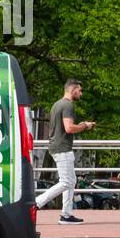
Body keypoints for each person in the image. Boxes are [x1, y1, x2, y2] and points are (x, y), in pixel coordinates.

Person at [35, 78, 96, 224]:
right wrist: (85, 126)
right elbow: (69, 128)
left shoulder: (57, 104)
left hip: (58, 147)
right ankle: (36, 203)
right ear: (72, 89)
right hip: (62, 149)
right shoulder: (68, 105)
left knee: (71, 180)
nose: (81, 94)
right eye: (79, 90)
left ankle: (66, 215)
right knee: (66, 181)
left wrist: (80, 125)